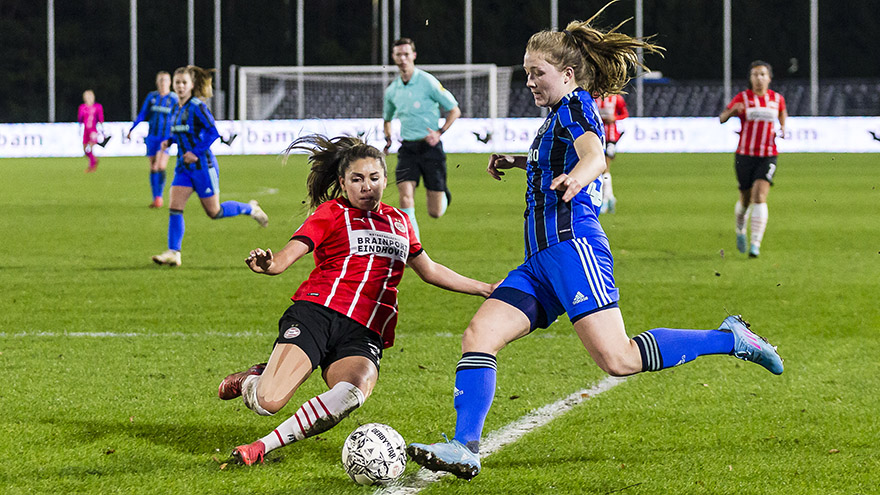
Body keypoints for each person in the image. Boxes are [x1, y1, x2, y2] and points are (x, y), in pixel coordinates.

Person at [406, 7, 784, 481]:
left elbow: (594, 157)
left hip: (573, 248)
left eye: (536, 73)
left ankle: (732, 339)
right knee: (479, 336)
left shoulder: (578, 105)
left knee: (618, 359)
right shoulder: (555, 116)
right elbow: (560, 155)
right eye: (526, 73)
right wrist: (520, 162)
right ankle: (464, 448)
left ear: (567, 74)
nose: (529, 81)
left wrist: (576, 178)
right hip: (539, 260)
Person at [218, 134, 496, 466]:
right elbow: (284, 258)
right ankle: (252, 381)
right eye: (357, 179)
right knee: (268, 402)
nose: (367, 186)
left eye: (374, 178)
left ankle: (261, 447)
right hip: (317, 314)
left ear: (384, 178)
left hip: (365, 333)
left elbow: (430, 269)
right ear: (343, 182)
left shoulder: (400, 222)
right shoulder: (331, 212)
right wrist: (269, 264)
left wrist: (485, 288)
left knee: (350, 394)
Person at [151, 65, 268, 267]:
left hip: (203, 167)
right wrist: (170, 141)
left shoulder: (197, 107)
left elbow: (213, 132)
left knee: (215, 212)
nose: (179, 86)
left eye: (183, 83)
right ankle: (174, 253)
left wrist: (195, 153)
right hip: (183, 168)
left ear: (192, 85)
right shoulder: (175, 108)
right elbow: (182, 133)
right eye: (177, 83)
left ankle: (251, 209)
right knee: (175, 208)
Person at [383, 38, 461, 240]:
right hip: (407, 149)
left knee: (435, 212)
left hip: (430, 148)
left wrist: (440, 131)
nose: (402, 59)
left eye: (406, 54)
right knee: (405, 196)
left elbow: (454, 109)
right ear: (393, 57)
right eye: (398, 55)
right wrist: (388, 138)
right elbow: (387, 118)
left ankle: (442, 192)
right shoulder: (392, 91)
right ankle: (412, 245)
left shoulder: (428, 82)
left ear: (414, 56)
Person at [719, 61, 787, 258]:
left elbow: (782, 113)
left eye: (763, 74)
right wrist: (732, 111)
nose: (759, 78)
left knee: (760, 196)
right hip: (745, 155)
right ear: (751, 78)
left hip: (768, 154)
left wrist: (783, 127)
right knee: (746, 199)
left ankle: (755, 243)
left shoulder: (776, 99)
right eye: (755, 75)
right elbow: (722, 118)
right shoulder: (743, 98)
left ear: (769, 78)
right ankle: (740, 230)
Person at [128, 72, 178, 208]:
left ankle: (159, 197)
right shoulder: (152, 97)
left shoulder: (174, 99)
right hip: (152, 137)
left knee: (160, 166)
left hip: (166, 137)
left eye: (165, 80)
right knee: (153, 167)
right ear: (157, 82)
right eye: (161, 80)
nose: (163, 82)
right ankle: (156, 197)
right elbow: (143, 113)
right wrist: (132, 128)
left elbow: (180, 116)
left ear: (170, 82)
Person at [594, 93, 628, 214]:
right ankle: (610, 198)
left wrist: (615, 118)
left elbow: (624, 114)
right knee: (603, 168)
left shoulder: (617, 98)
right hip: (597, 135)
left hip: (611, 137)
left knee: (605, 167)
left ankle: (605, 200)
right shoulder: (595, 97)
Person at [77, 89, 111, 173]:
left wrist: (103, 130)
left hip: (93, 130)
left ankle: (92, 166)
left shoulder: (97, 107)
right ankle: (94, 160)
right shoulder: (82, 107)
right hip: (86, 130)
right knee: (85, 150)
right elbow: (80, 119)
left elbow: (100, 119)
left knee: (90, 148)